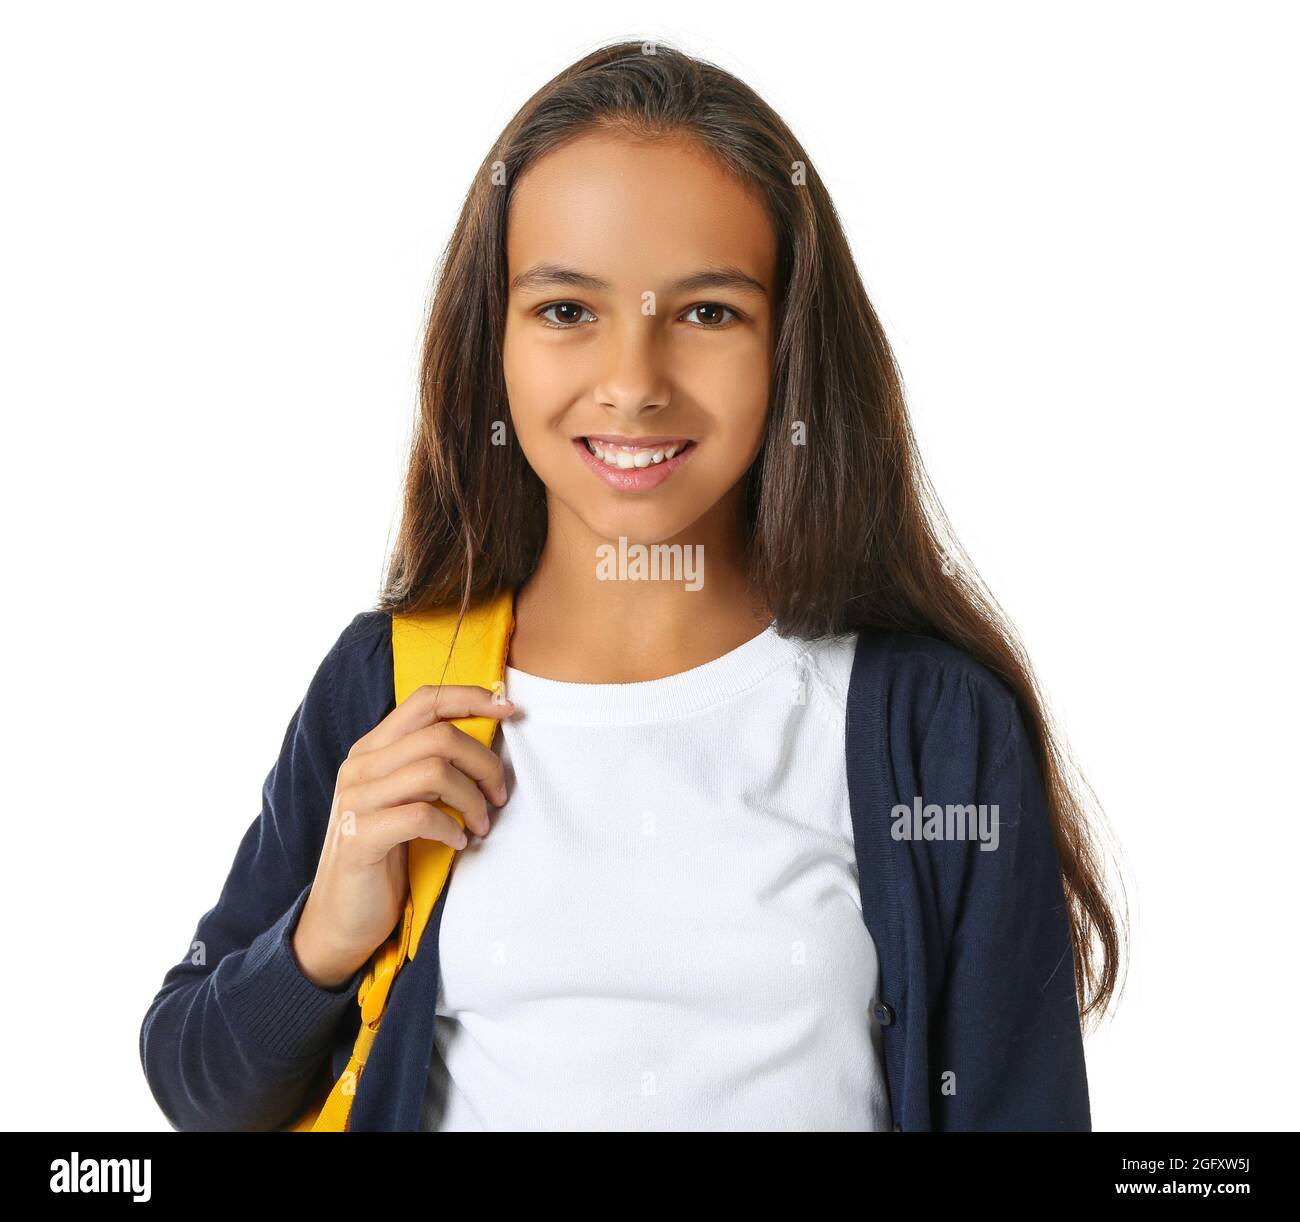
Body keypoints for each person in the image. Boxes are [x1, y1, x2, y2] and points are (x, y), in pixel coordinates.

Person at [140, 39, 1126, 1132]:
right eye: (567, 310)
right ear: (494, 342)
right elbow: (201, 1088)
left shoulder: (932, 727)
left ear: (791, 347)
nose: (633, 384)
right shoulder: (388, 684)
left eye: (708, 312)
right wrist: (323, 932)